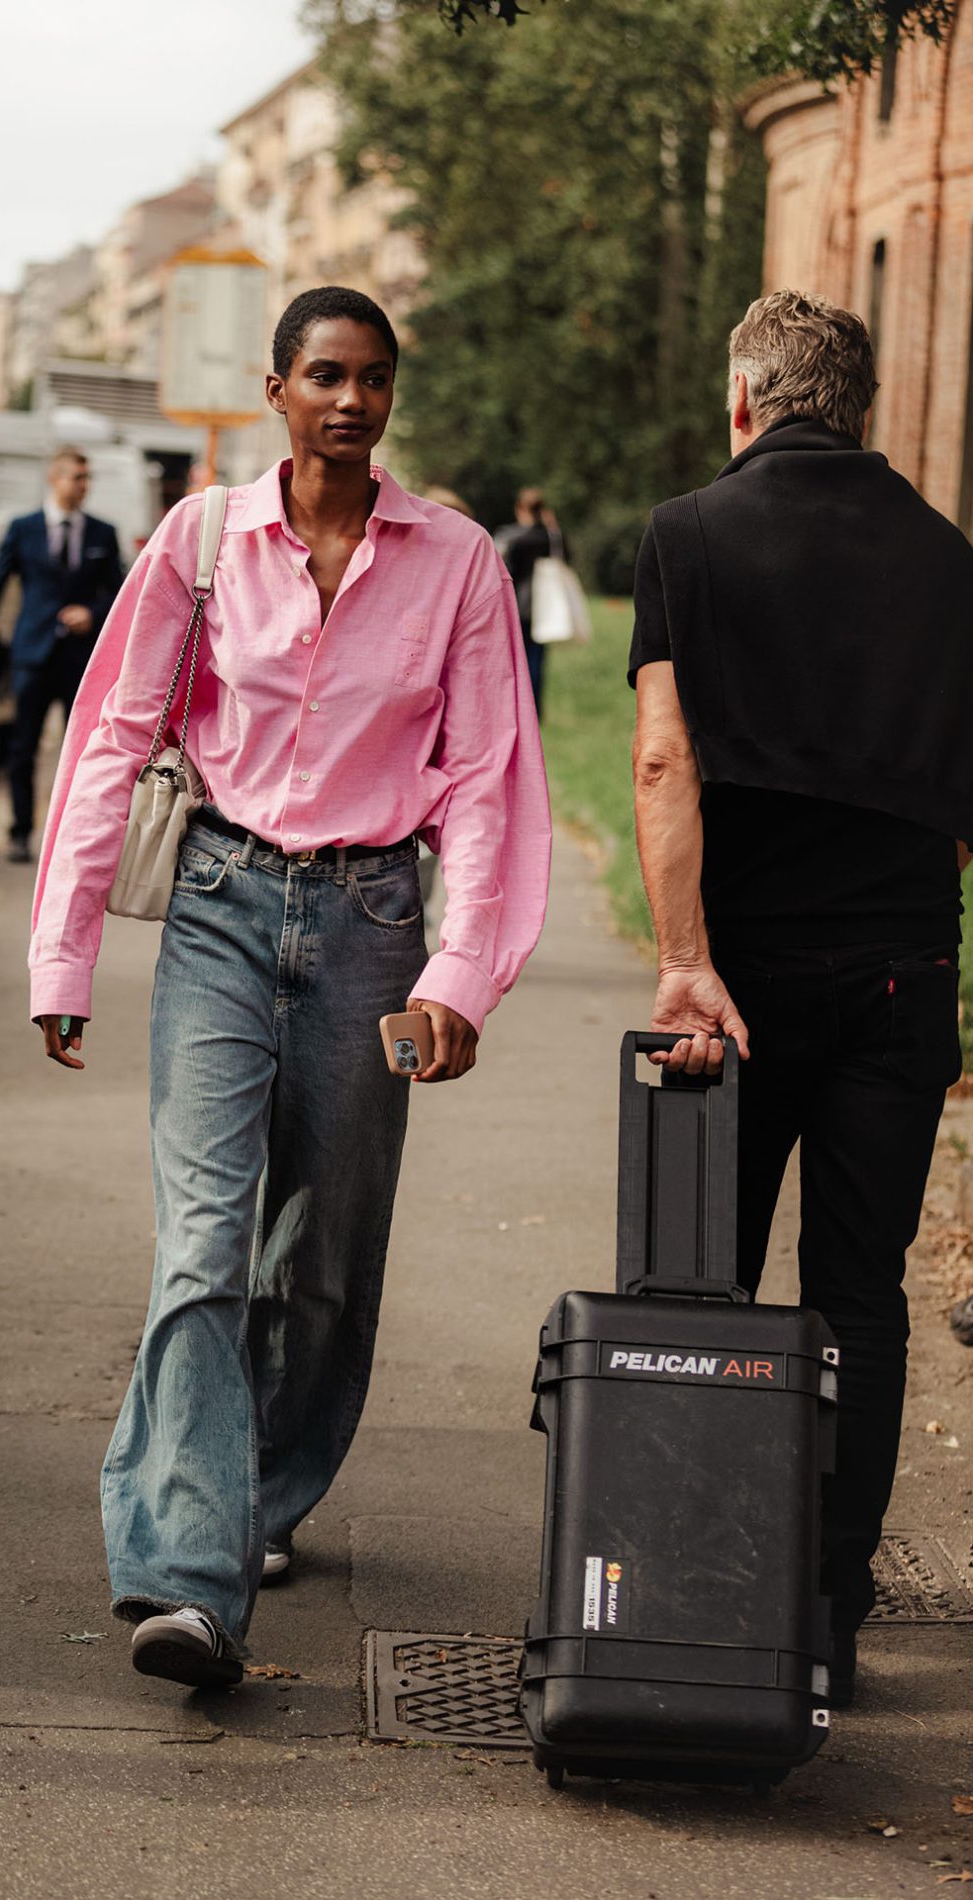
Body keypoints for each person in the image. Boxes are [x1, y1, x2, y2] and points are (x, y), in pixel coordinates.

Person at [30, 284, 551, 1689]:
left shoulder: (455, 562)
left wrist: (460, 974)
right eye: (324, 375)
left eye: (372, 378)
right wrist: (63, 947)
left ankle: (258, 1489)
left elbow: (486, 778)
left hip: (373, 924)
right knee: (203, 1243)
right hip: (217, 903)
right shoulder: (201, 540)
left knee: (319, 1259)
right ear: (276, 392)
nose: (350, 400)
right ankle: (189, 1578)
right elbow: (110, 733)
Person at [629, 288, 973, 1709]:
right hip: (901, 974)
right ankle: (829, 1612)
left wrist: (682, 956)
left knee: (699, 1285)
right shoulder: (951, 561)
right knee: (859, 1301)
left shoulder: (687, 535)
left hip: (736, 982)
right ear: (861, 407)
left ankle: (694, 1592)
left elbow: (663, 762)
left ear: (743, 400)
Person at [0, 448, 123, 862]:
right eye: (78, 477)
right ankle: (20, 832)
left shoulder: (102, 533)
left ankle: (71, 836)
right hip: (33, 654)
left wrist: (91, 613)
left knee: (81, 751)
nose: (85, 485)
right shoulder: (23, 528)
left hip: (81, 659)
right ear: (55, 479)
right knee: (22, 747)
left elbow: (119, 592)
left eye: (87, 478)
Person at [495, 488, 564, 720]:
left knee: (517, 658)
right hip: (545, 603)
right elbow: (566, 557)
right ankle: (535, 708)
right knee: (537, 658)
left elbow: (506, 569)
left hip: (520, 601)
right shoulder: (549, 537)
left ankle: (519, 707)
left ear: (520, 508)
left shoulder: (513, 537)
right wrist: (553, 527)